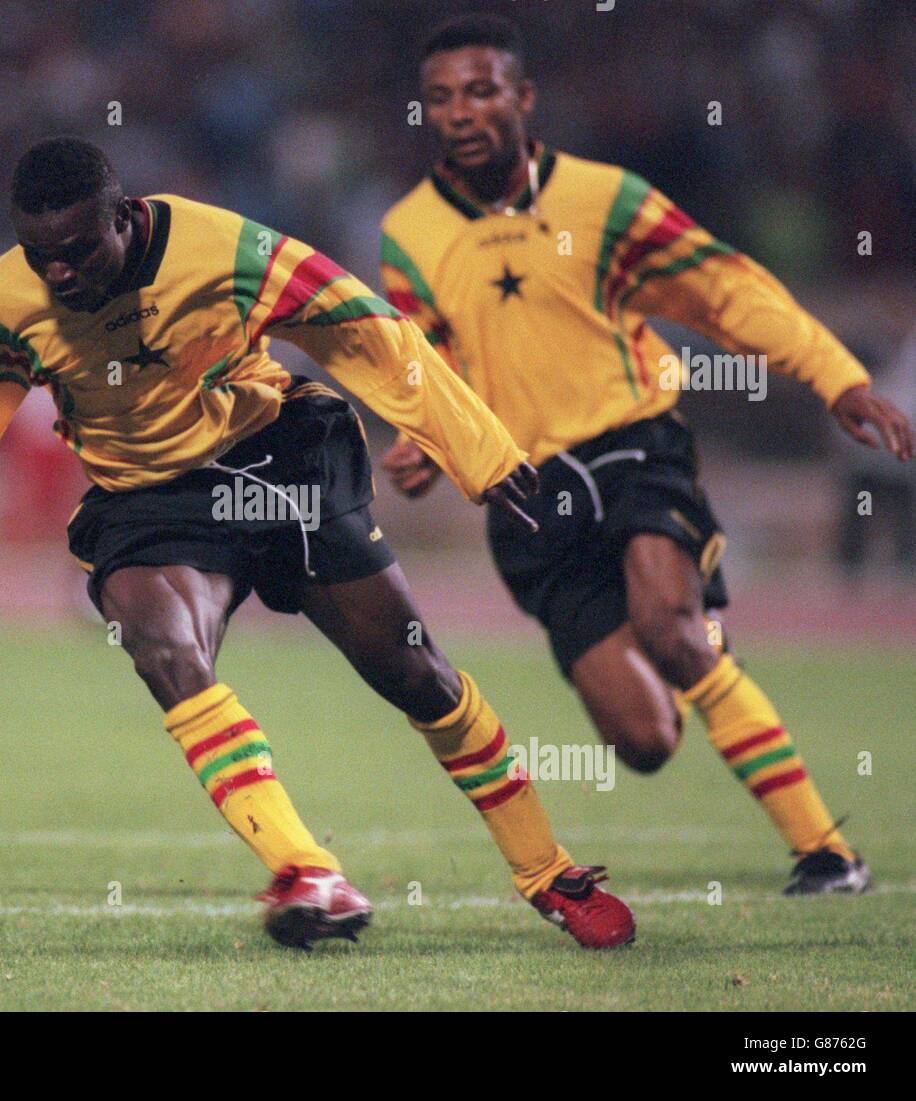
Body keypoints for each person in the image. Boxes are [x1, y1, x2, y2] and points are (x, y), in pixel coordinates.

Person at [0, 137, 635, 949]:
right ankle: (305, 868)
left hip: (272, 457)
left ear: (124, 214)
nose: (61, 274)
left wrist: (474, 446)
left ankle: (547, 870)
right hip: (146, 501)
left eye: (79, 250)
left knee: (414, 671)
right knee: (166, 650)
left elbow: (362, 325)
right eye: (42, 256)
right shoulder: (6, 298)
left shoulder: (228, 251)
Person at [379, 14, 913, 895]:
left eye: (480, 90)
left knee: (670, 629)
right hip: (526, 495)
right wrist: (425, 442)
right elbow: (426, 367)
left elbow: (725, 290)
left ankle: (827, 850)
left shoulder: (606, 199)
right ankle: (692, 636)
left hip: (634, 447)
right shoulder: (409, 233)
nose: (461, 112)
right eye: (440, 97)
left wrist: (837, 378)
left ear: (522, 97)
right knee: (645, 741)